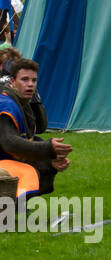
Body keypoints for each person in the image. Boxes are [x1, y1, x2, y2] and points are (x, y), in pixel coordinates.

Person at [0, 59, 71, 198]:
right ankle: (7, 210)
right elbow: (10, 143)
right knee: (29, 172)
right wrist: (48, 149)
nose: (30, 84)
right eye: (25, 80)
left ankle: (14, 207)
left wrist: (51, 159)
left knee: (47, 165)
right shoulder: (5, 104)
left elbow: (39, 130)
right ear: (12, 81)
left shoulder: (21, 101)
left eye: (34, 80)